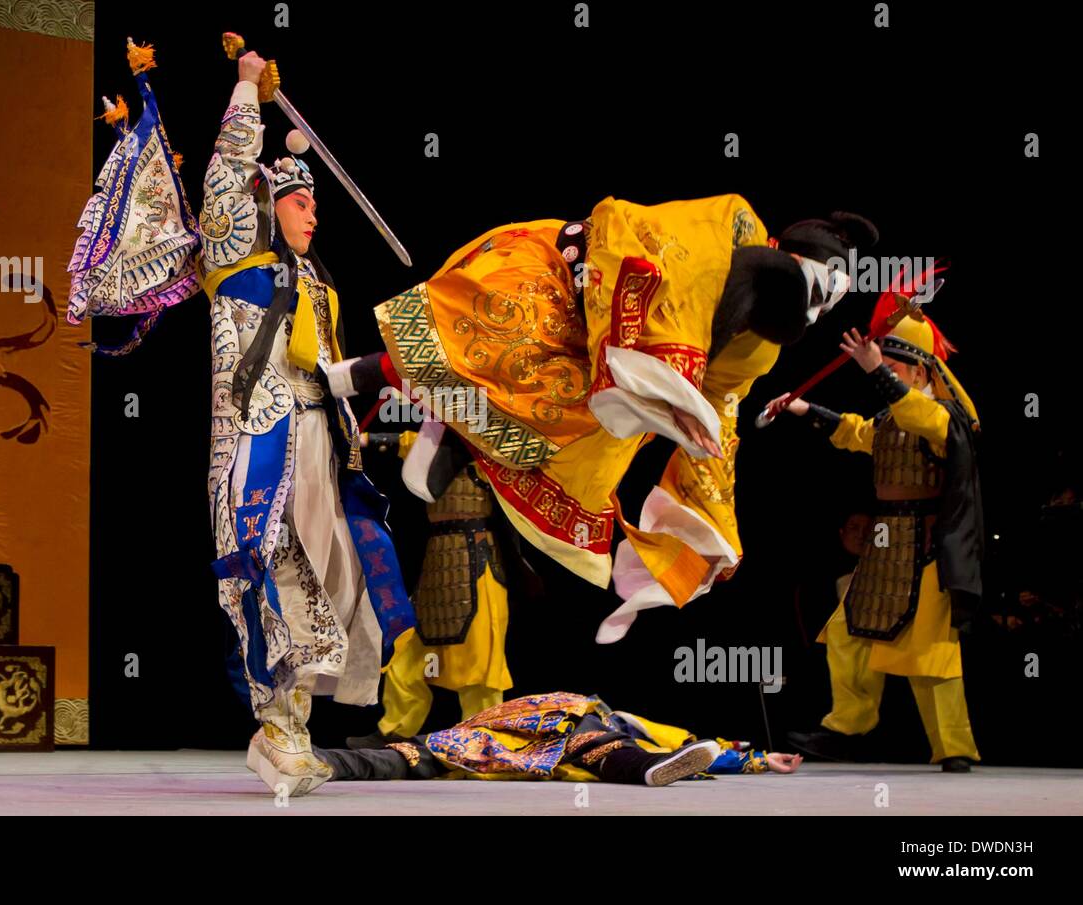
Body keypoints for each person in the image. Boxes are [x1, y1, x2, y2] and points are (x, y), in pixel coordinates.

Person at [68, 41, 414, 796]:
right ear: (262, 203)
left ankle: (296, 729)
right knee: (271, 575)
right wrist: (247, 88)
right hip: (257, 444)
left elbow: (327, 372)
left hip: (320, 445)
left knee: (325, 581)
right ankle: (274, 731)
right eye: (299, 200)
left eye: (315, 201)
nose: (313, 211)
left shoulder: (315, 282)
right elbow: (226, 168)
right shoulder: (232, 249)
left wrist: (389, 369)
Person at [329, 201, 877, 642]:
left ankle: (458, 436)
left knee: (576, 423)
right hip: (565, 281)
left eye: (826, 310)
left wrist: (710, 526)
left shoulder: (759, 349)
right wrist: (656, 380)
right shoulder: (726, 227)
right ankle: (366, 374)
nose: (816, 314)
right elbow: (634, 241)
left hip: (602, 364)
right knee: (500, 338)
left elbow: (720, 414)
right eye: (817, 296)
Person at [774, 286, 983, 772]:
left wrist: (873, 370)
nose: (887, 374)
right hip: (887, 543)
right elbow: (858, 433)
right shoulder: (892, 419)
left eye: (895, 367)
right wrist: (805, 410)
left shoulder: (941, 417)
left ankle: (953, 746)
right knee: (848, 634)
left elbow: (918, 414)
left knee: (929, 653)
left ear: (922, 371)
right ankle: (846, 728)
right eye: (884, 367)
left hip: (927, 545)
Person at [345, 430, 514, 749]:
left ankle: (484, 739)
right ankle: (395, 730)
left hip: (480, 559)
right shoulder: (432, 443)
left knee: (481, 661)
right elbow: (396, 442)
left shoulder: (498, 450)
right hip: (439, 557)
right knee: (409, 652)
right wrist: (353, 435)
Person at [318, 691, 802, 785]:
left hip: (510, 743)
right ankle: (317, 760)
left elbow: (695, 748)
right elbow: (692, 746)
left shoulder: (620, 729)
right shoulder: (600, 715)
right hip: (535, 722)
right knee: (422, 749)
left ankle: (326, 764)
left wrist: (757, 760)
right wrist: (748, 759)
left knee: (421, 754)